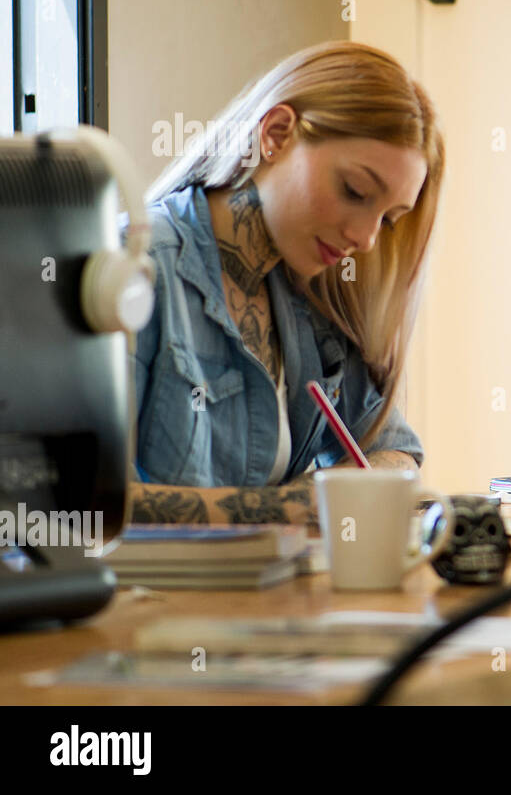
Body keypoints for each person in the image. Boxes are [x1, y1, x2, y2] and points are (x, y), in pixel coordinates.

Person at [127, 41, 444, 526]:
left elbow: (395, 453)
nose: (365, 238)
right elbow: (75, 503)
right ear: (275, 134)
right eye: (355, 191)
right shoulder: (134, 272)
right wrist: (297, 508)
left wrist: (335, 492)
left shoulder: (315, 297)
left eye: (389, 219)